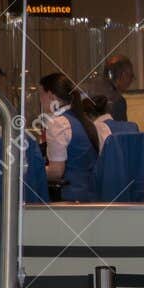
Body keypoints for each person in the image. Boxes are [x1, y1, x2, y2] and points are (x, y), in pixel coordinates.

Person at [36, 73, 101, 202]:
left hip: (69, 198)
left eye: (40, 95)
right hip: (92, 194)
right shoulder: (83, 120)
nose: (40, 100)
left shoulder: (58, 124)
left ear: (51, 96)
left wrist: (31, 170)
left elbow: (56, 172)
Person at [90, 55, 135, 121]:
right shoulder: (118, 101)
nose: (131, 80)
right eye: (131, 76)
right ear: (123, 75)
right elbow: (121, 130)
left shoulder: (92, 91)